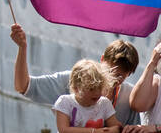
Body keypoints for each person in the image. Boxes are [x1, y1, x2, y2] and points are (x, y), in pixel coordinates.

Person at [11, 24, 142, 126]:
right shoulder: (75, 79)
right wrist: (22, 48)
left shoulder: (129, 96)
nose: (113, 80)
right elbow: (24, 86)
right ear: (102, 59)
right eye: (111, 72)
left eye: (121, 77)